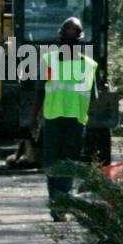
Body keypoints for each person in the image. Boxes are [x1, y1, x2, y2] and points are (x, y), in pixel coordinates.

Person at [31, 17, 97, 220]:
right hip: (74, 121)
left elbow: (39, 92)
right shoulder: (88, 65)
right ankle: (62, 203)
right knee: (68, 163)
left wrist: (34, 117)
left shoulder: (48, 60)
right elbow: (92, 97)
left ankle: (58, 205)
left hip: (55, 119)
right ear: (81, 40)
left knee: (54, 162)